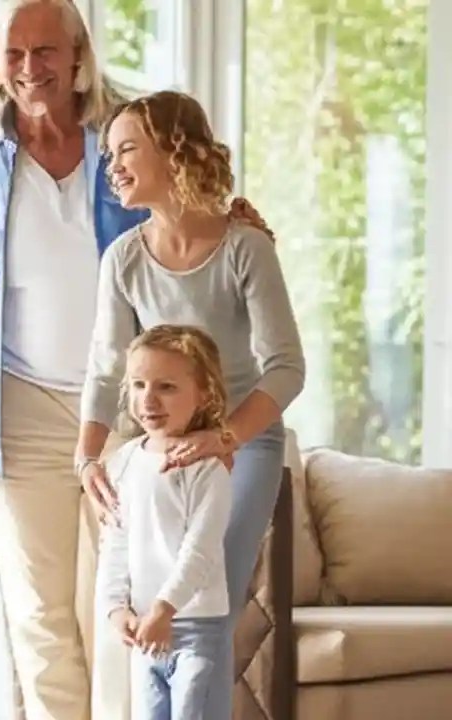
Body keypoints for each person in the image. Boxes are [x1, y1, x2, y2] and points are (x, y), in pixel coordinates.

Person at [0, 2, 268, 718]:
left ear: (77, 55)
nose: (30, 68)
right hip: (22, 401)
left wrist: (236, 218)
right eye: (14, 54)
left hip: (131, 407)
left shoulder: (124, 139)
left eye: (46, 50)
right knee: (38, 609)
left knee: (117, 594)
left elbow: (184, 214)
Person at [77, 89, 305, 719]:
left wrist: (223, 437)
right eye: (109, 154)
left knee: (205, 606)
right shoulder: (122, 259)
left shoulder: (244, 248)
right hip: (157, 451)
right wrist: (88, 458)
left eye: (126, 150)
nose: (113, 167)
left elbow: (287, 367)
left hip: (245, 442)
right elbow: (106, 367)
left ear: (173, 152)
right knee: (150, 604)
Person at [95, 325, 234, 720]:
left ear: (204, 393)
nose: (148, 399)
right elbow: (115, 544)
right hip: (145, 631)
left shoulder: (207, 470)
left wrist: (163, 610)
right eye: (138, 385)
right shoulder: (123, 462)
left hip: (195, 628)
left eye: (167, 387)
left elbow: (200, 550)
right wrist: (114, 609)